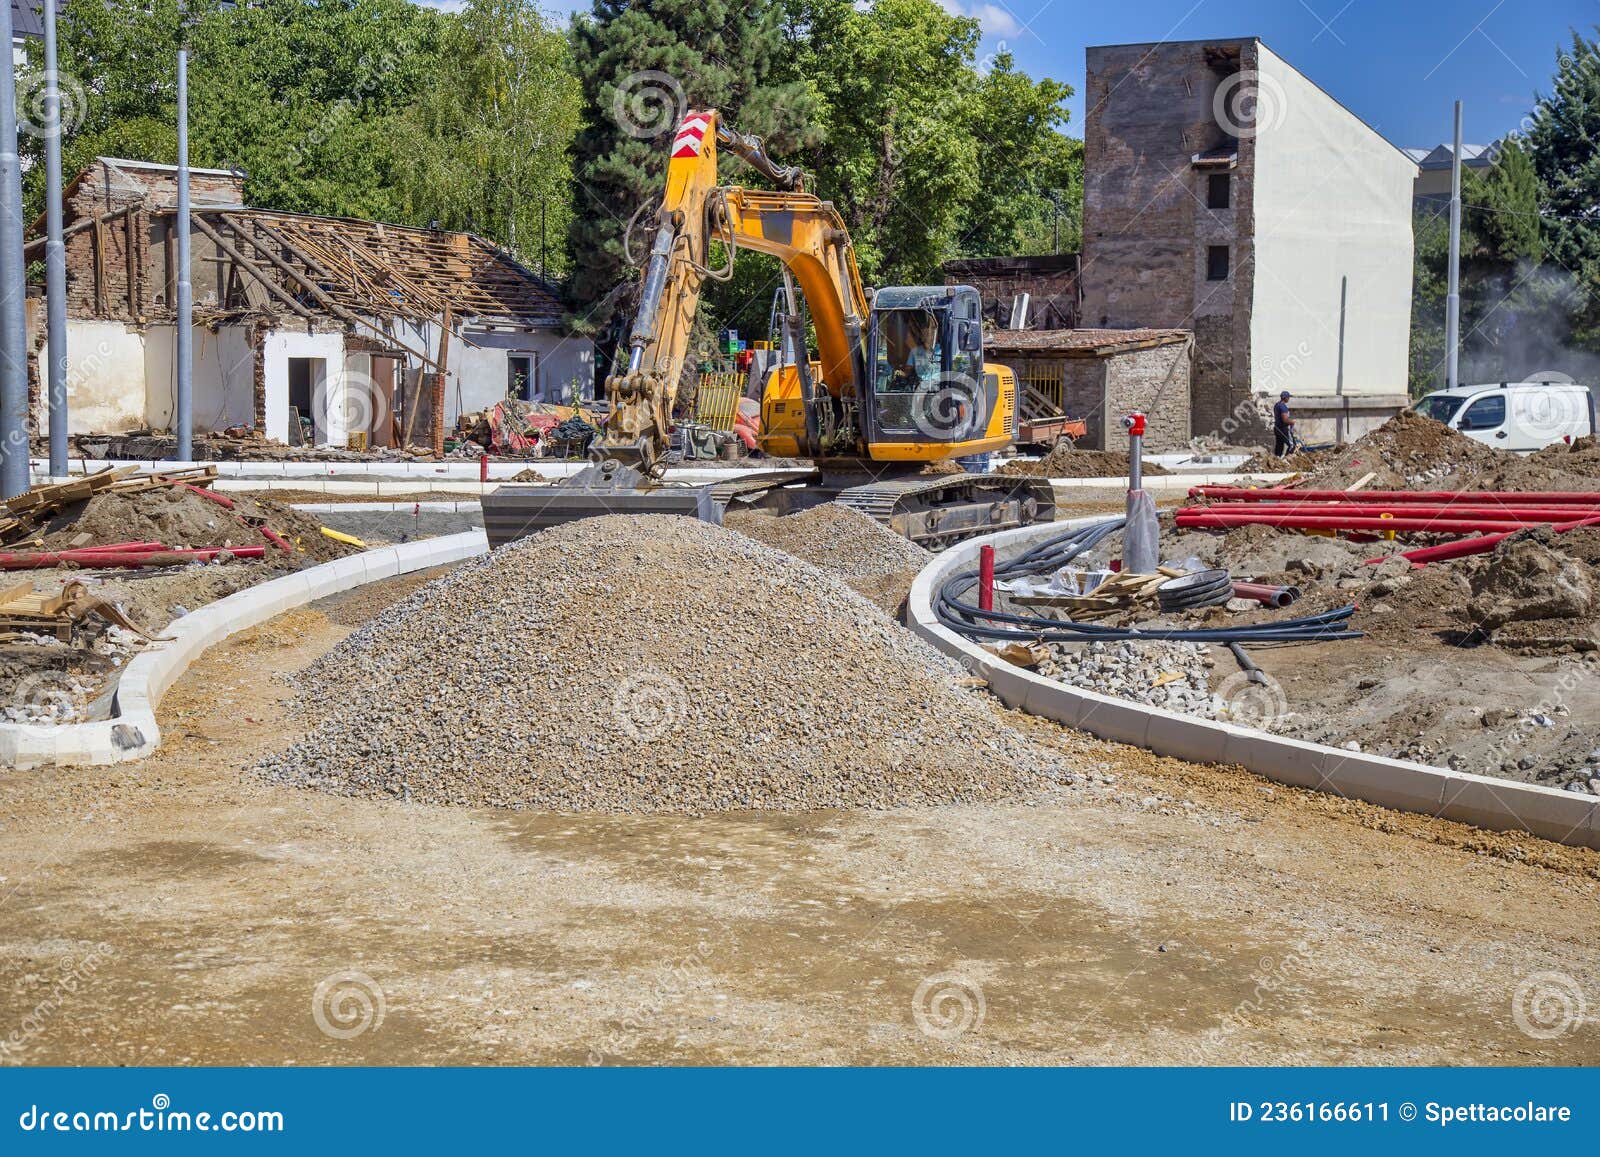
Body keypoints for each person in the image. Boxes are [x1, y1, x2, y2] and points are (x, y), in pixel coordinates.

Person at [1273, 390, 1296, 457]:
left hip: (1277, 428)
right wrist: (1292, 422)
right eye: (1288, 397)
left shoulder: (1277, 405)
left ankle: (1277, 459)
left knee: (1279, 445)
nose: (1289, 399)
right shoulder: (1283, 407)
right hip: (1283, 429)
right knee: (1292, 445)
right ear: (1285, 398)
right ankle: (1287, 459)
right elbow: (1285, 420)